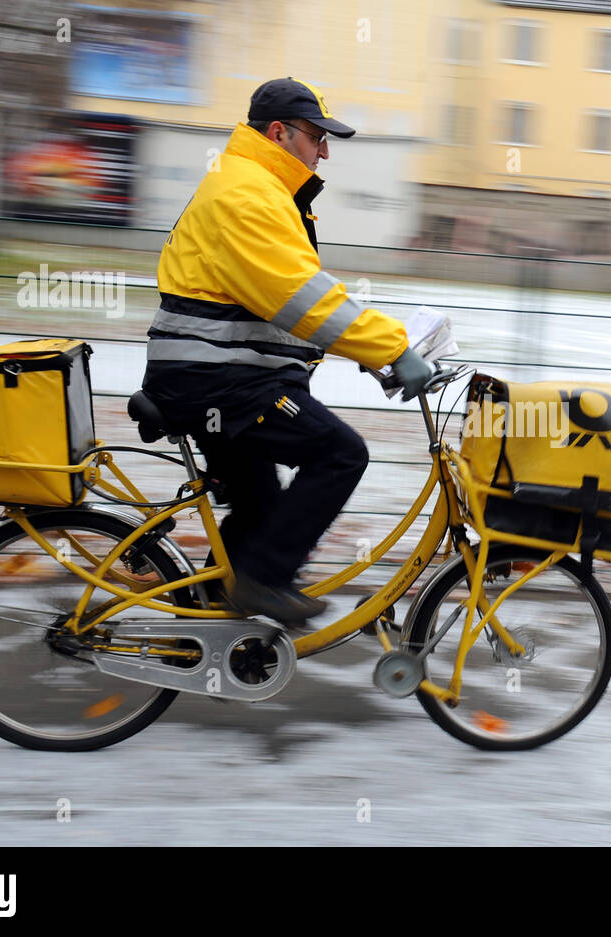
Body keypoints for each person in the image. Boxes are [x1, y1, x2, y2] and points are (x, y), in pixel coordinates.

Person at [141, 77, 432, 626]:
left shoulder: (258, 188)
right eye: (316, 137)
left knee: (260, 504)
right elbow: (300, 298)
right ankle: (262, 584)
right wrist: (393, 347)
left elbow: (295, 298)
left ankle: (210, 621)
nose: (323, 151)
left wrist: (372, 354)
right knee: (340, 453)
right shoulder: (246, 194)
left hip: (215, 378)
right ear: (278, 133)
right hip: (218, 382)